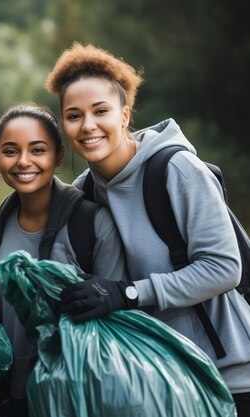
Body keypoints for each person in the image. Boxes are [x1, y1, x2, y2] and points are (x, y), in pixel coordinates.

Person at [45, 42, 250, 414]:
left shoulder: (176, 170)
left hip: (230, 378)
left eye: (100, 111)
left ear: (124, 115)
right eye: (74, 116)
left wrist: (128, 294)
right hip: (158, 383)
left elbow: (224, 268)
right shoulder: (84, 195)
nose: (87, 125)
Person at [0, 104, 129, 416]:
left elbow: (116, 322)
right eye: (11, 151)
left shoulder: (93, 224)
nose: (24, 161)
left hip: (77, 396)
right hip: (8, 400)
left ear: (59, 155)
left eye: (38, 150)